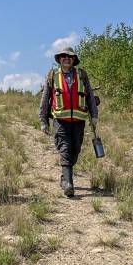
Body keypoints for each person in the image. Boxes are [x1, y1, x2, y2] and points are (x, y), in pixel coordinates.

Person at [39, 46, 99, 197]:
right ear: (59, 59)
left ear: (73, 60)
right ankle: (69, 184)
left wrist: (94, 116)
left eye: (69, 57)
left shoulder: (82, 75)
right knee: (65, 148)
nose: (66, 58)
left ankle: (64, 177)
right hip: (60, 120)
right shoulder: (53, 75)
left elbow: (90, 97)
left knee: (75, 150)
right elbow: (45, 100)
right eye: (63, 56)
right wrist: (43, 121)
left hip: (78, 120)